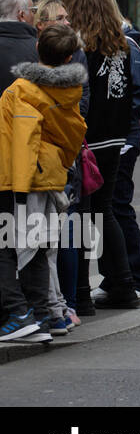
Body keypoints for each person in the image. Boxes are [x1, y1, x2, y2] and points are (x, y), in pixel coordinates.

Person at [0, 25, 87, 342]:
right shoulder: (69, 94)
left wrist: (19, 193)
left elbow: (21, 142)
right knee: (40, 246)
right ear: (69, 58)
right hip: (52, 175)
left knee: (16, 245)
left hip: (23, 179)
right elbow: (74, 136)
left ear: (37, 48)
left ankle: (26, 315)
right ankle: (48, 315)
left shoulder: (19, 91)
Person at [62, 0, 139, 310]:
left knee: (81, 216)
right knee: (103, 212)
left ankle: (81, 293)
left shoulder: (80, 46)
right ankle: (123, 284)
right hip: (115, 138)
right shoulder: (119, 43)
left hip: (89, 139)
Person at [92, 17, 140, 303]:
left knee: (117, 206)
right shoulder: (114, 46)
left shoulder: (126, 46)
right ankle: (116, 277)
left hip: (123, 140)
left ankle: (139, 277)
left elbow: (137, 96)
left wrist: (119, 128)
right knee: (109, 208)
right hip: (118, 138)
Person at [0, 0, 41, 341]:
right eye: (33, 9)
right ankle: (43, 311)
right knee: (34, 237)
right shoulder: (40, 50)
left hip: (3, 164)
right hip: (36, 165)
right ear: (22, 13)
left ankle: (18, 311)